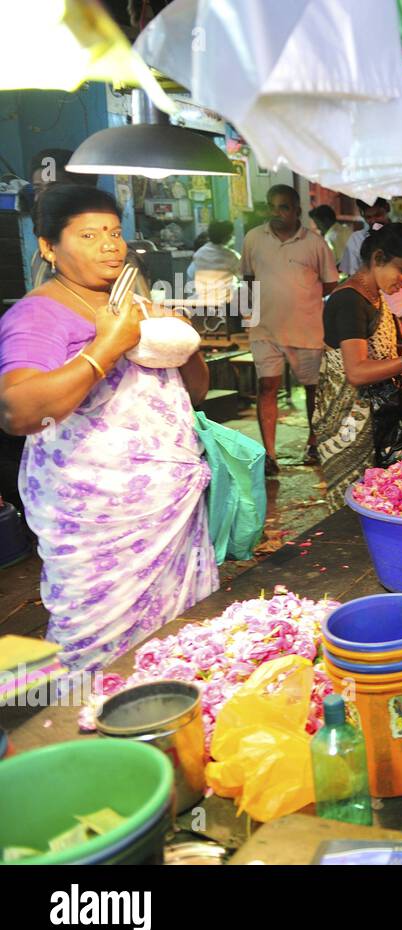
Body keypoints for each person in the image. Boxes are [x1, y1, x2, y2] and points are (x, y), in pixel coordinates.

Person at [0, 185, 219, 670]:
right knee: (100, 656)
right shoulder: (39, 314)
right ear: (48, 247)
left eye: (115, 232)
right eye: (89, 234)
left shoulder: (132, 302)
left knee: (183, 643)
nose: (110, 245)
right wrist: (106, 347)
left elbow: (195, 393)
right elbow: (18, 412)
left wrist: (185, 343)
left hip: (169, 517)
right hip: (102, 533)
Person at [315, 222, 402, 509]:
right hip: (348, 421)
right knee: (351, 504)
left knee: (377, 499)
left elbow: (383, 352)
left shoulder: (375, 298)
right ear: (378, 259)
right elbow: (357, 371)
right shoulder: (348, 301)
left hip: (376, 416)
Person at [241, 184, 339, 473]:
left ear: (297, 210)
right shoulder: (253, 238)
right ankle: (269, 455)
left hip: (307, 329)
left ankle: (315, 442)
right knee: (266, 386)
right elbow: (248, 278)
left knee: (312, 389)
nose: (276, 212)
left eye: (283, 206)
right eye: (271, 206)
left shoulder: (315, 243)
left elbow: (331, 283)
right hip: (264, 329)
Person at [340, 198, 402, 335]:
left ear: (387, 209)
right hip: (374, 320)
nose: (373, 221)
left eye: (378, 215)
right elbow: (354, 279)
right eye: (368, 217)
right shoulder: (356, 240)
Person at [186, 219, 240, 310]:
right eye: (232, 234)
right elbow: (242, 275)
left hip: (202, 302)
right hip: (225, 304)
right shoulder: (231, 256)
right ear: (227, 237)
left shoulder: (199, 253)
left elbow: (191, 277)